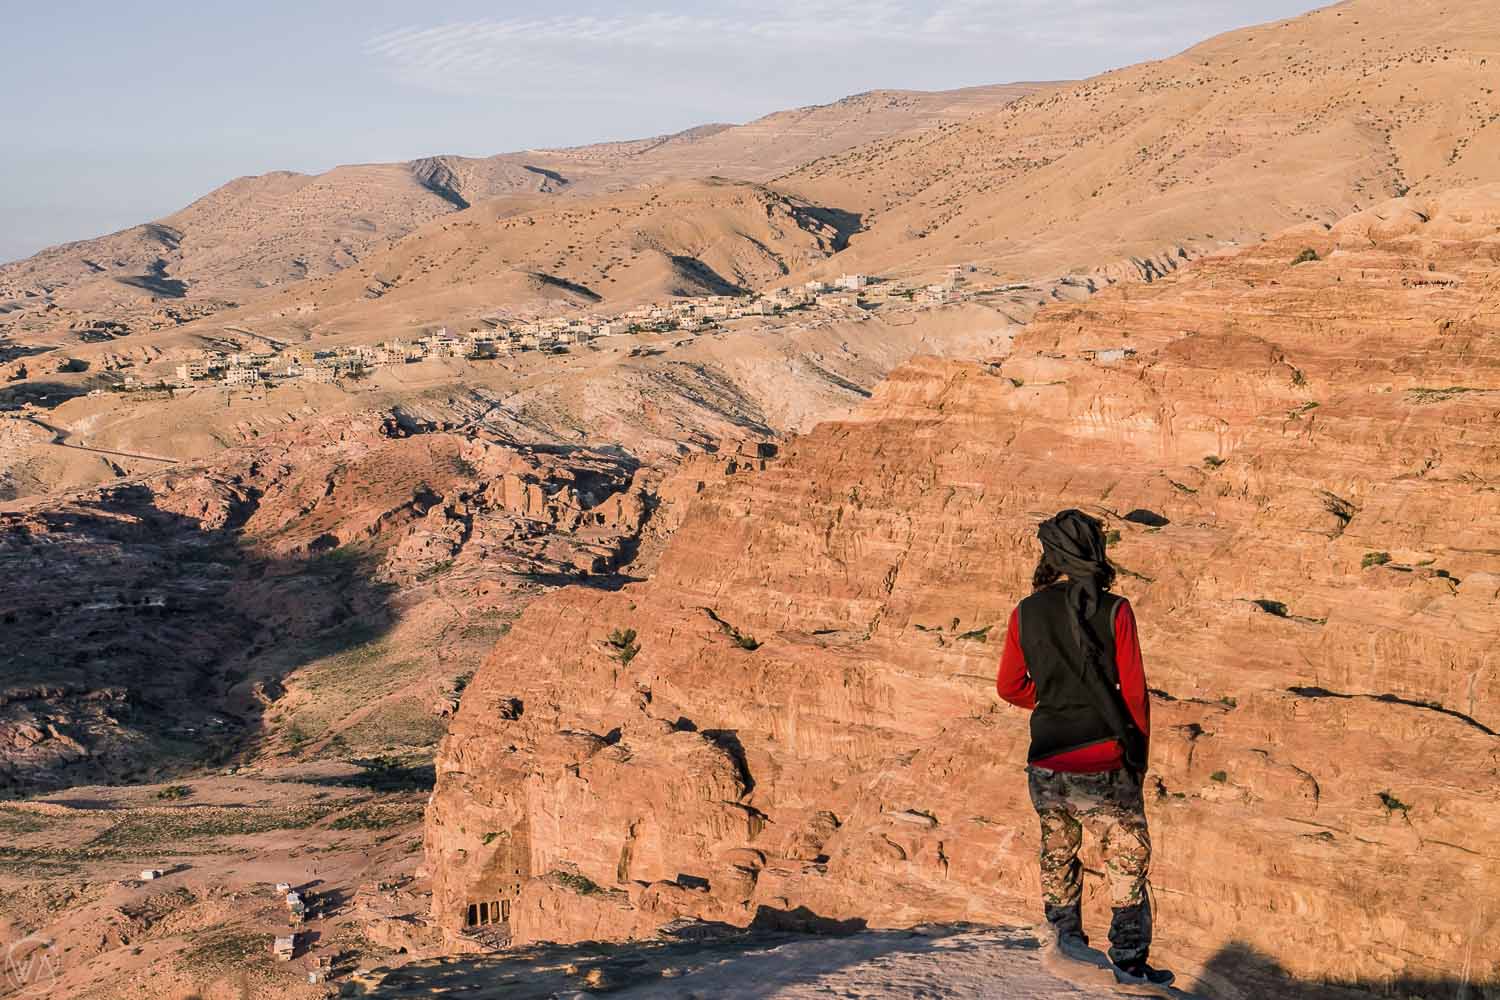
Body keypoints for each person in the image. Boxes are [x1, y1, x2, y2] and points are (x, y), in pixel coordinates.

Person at [995, 509, 1174, 988]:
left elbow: (1010, 686)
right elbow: (1133, 693)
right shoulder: (1115, 610)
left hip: (1046, 761)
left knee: (1057, 853)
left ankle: (1065, 945)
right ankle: (1129, 962)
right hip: (1104, 760)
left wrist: (1051, 700)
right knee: (1127, 860)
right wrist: (1137, 756)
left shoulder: (1024, 612)